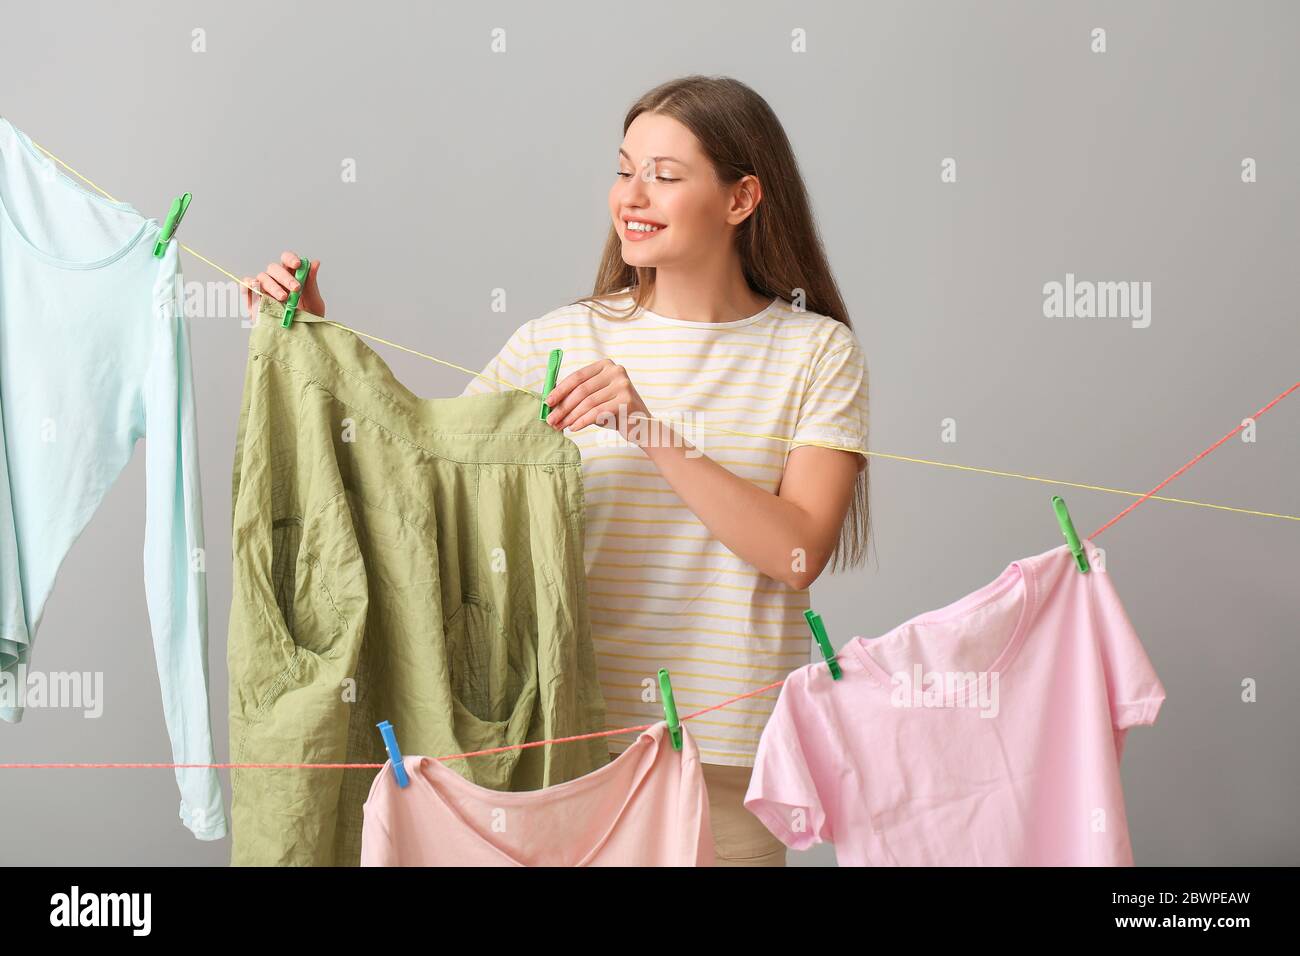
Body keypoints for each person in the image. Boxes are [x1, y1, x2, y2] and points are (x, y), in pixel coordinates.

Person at [243, 74, 871, 867]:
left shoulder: (815, 352)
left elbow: (797, 552)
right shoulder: (562, 339)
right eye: (624, 169)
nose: (632, 196)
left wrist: (646, 428)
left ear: (742, 198)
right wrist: (315, 351)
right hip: (560, 754)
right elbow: (420, 485)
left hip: (722, 762)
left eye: (665, 176)